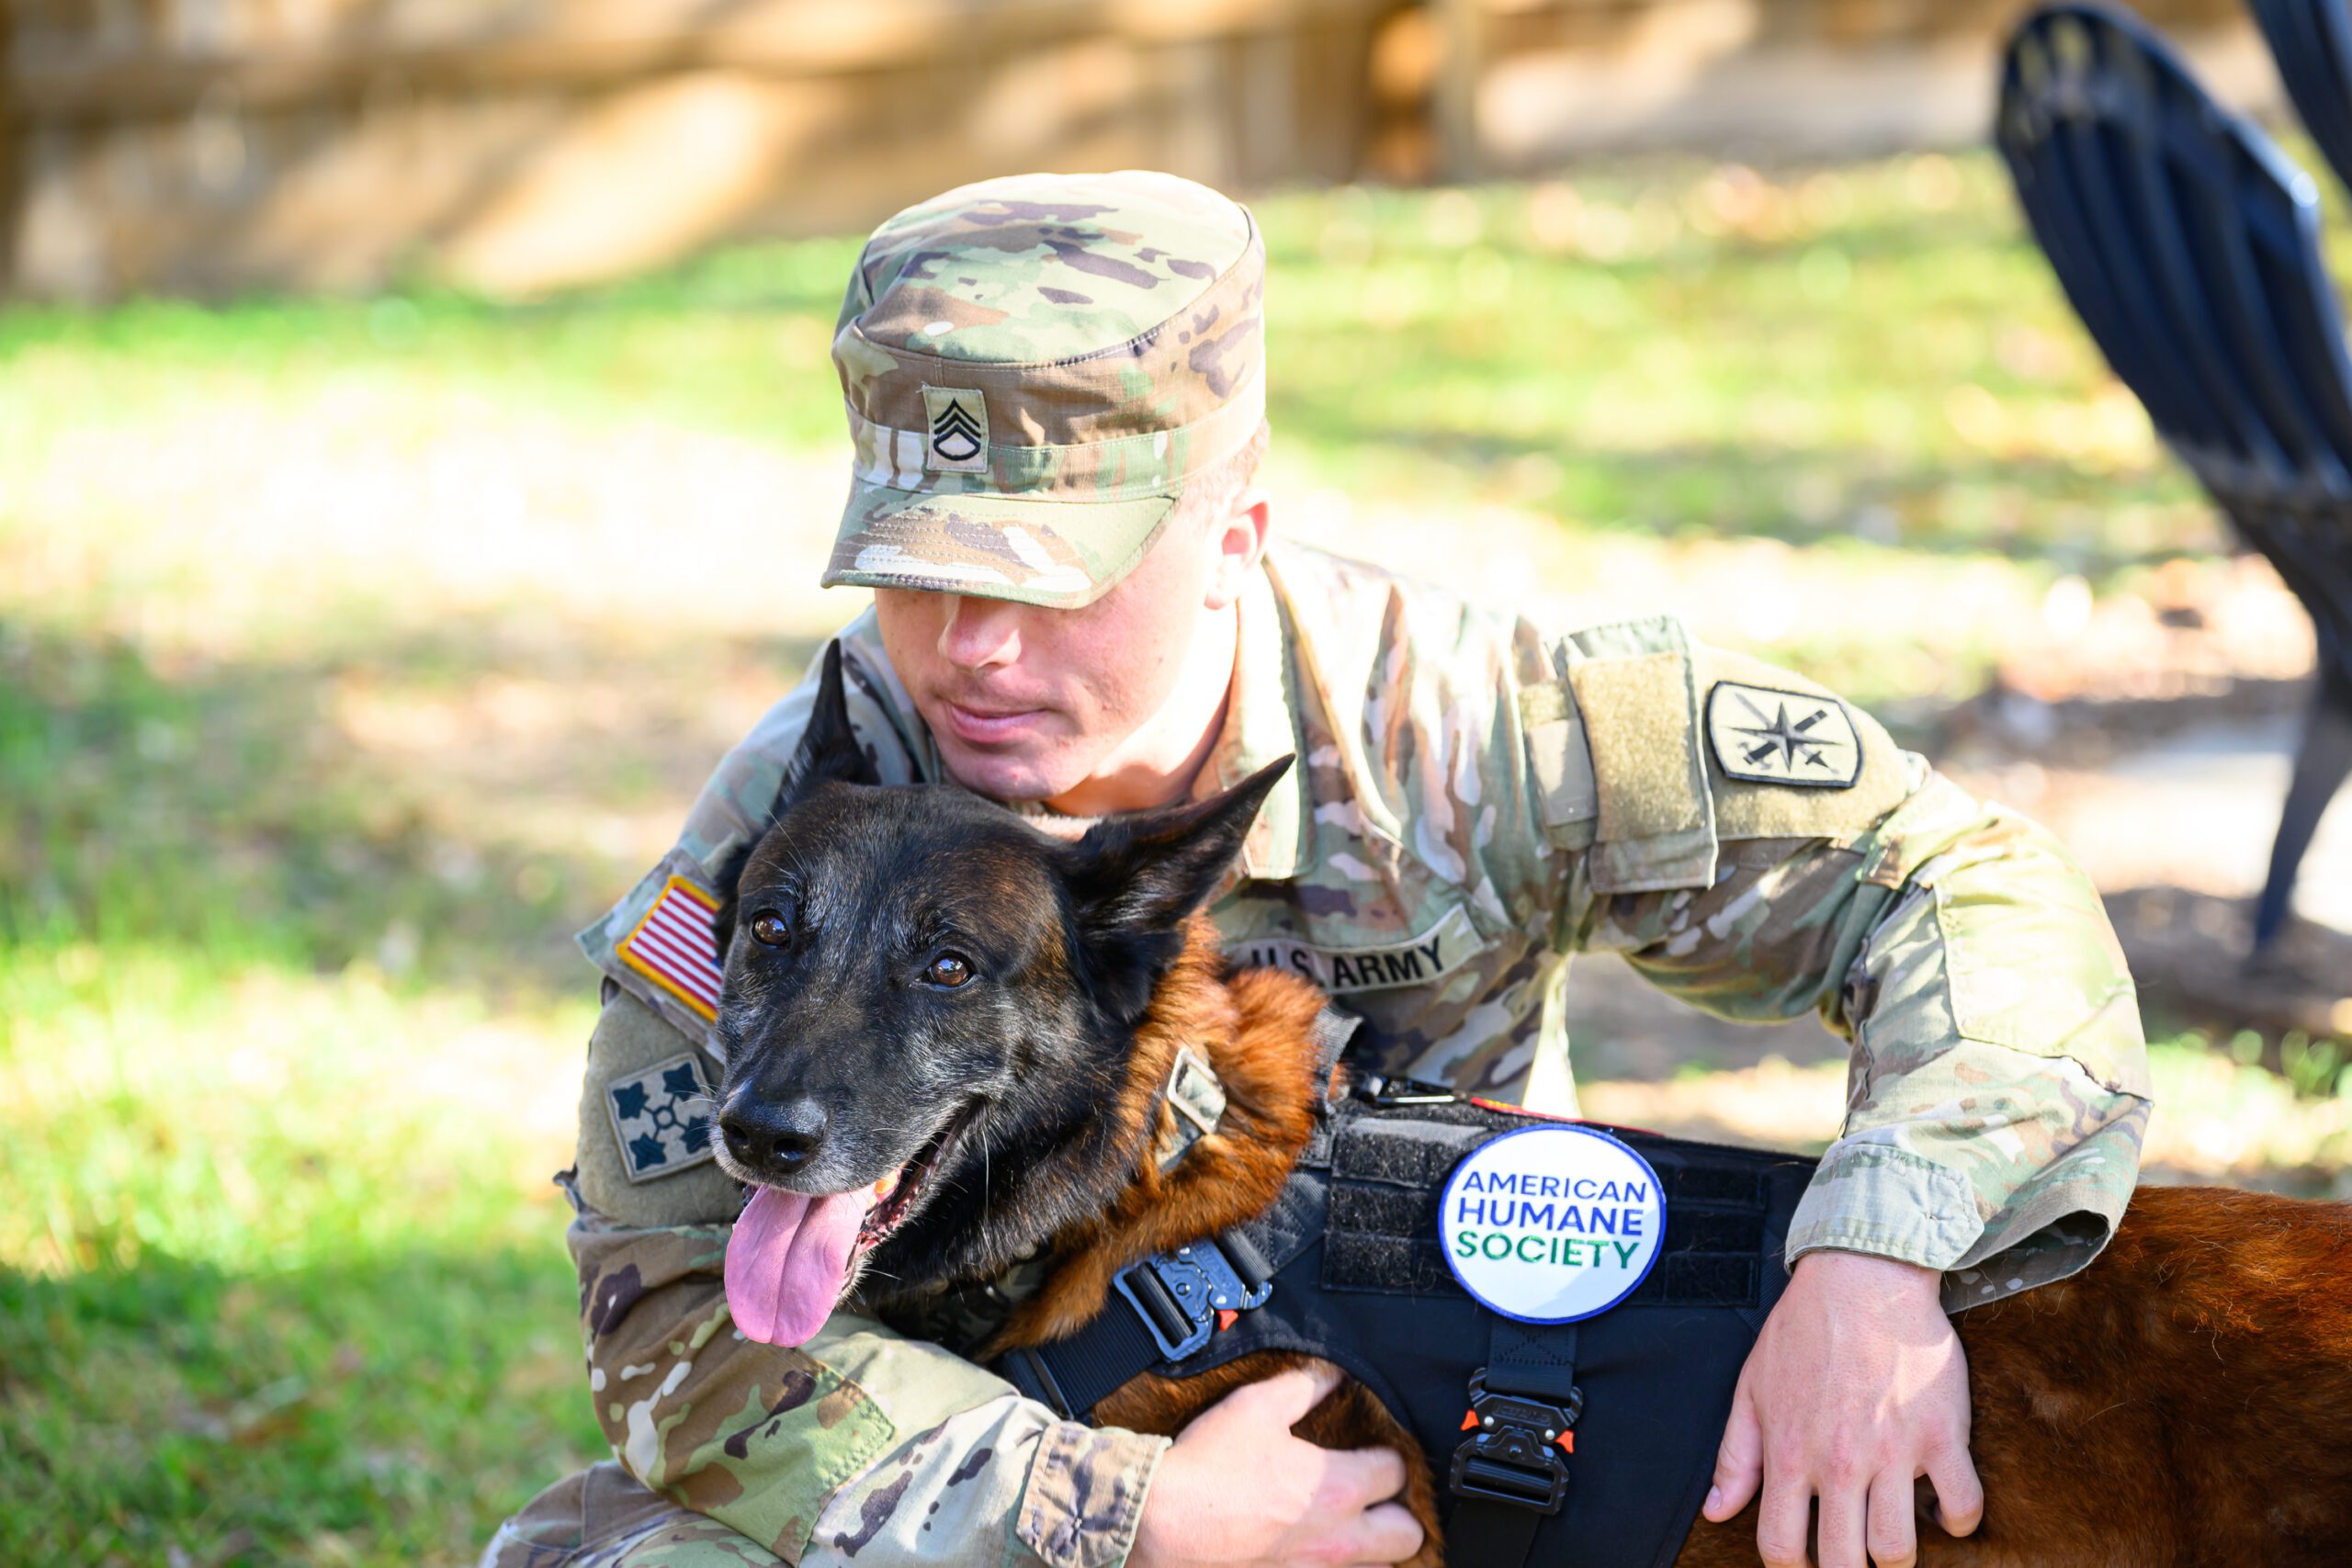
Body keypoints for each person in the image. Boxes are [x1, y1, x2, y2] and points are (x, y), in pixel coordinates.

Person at [483, 169, 2148, 1568]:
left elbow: (1964, 881)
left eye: (1051, 575)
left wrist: (1878, 1264)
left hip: (1474, 1421)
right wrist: (1131, 1516)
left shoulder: (1481, 724)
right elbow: (679, 1325)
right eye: (916, 571)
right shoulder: (802, 813)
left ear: (1231, 533)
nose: (971, 649)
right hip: (1035, 1430)